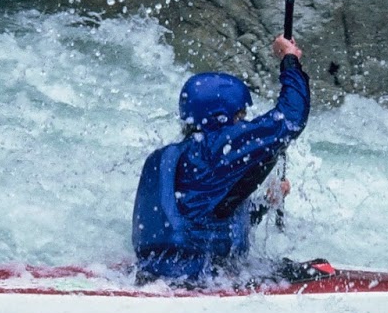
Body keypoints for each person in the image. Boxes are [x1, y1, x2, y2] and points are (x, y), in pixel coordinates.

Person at [132, 35, 311, 285]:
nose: (244, 123)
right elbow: (291, 118)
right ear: (221, 118)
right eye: (240, 116)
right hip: (202, 279)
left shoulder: (182, 155)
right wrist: (289, 60)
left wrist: (264, 205)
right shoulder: (217, 148)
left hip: (159, 275)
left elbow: (207, 218)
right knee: (315, 272)